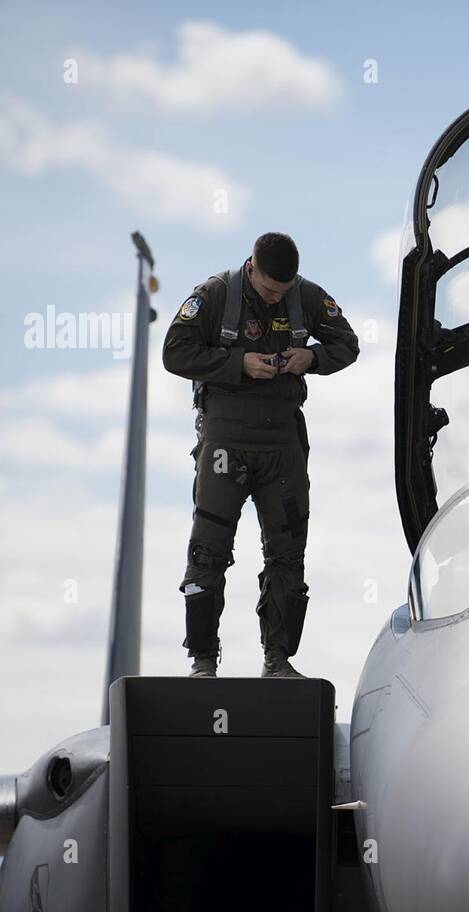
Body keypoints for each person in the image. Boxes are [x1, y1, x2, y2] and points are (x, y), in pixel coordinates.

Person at [162, 232, 359, 676]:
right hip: (225, 441)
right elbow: (174, 352)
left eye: (283, 292)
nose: (277, 298)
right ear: (251, 268)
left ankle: (279, 660)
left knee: (288, 553)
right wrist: (238, 364)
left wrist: (310, 358)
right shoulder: (214, 295)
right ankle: (203, 661)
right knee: (208, 552)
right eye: (270, 290)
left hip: (283, 443)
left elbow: (348, 345)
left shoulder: (306, 297)